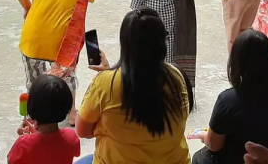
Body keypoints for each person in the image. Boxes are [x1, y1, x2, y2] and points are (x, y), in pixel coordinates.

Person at [75, 8, 191, 164]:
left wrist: (107, 76)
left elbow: (83, 130)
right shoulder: (176, 76)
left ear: (125, 44)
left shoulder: (105, 83)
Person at [192, 29, 268, 164]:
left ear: (236, 63)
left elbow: (214, 145)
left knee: (199, 158)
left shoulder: (228, 100)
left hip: (239, 159)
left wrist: (204, 136)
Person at [8, 75, 81, 164]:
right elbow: (76, 152)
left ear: (31, 107)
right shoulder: (71, 136)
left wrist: (25, 138)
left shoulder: (23, 144)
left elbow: (11, 161)